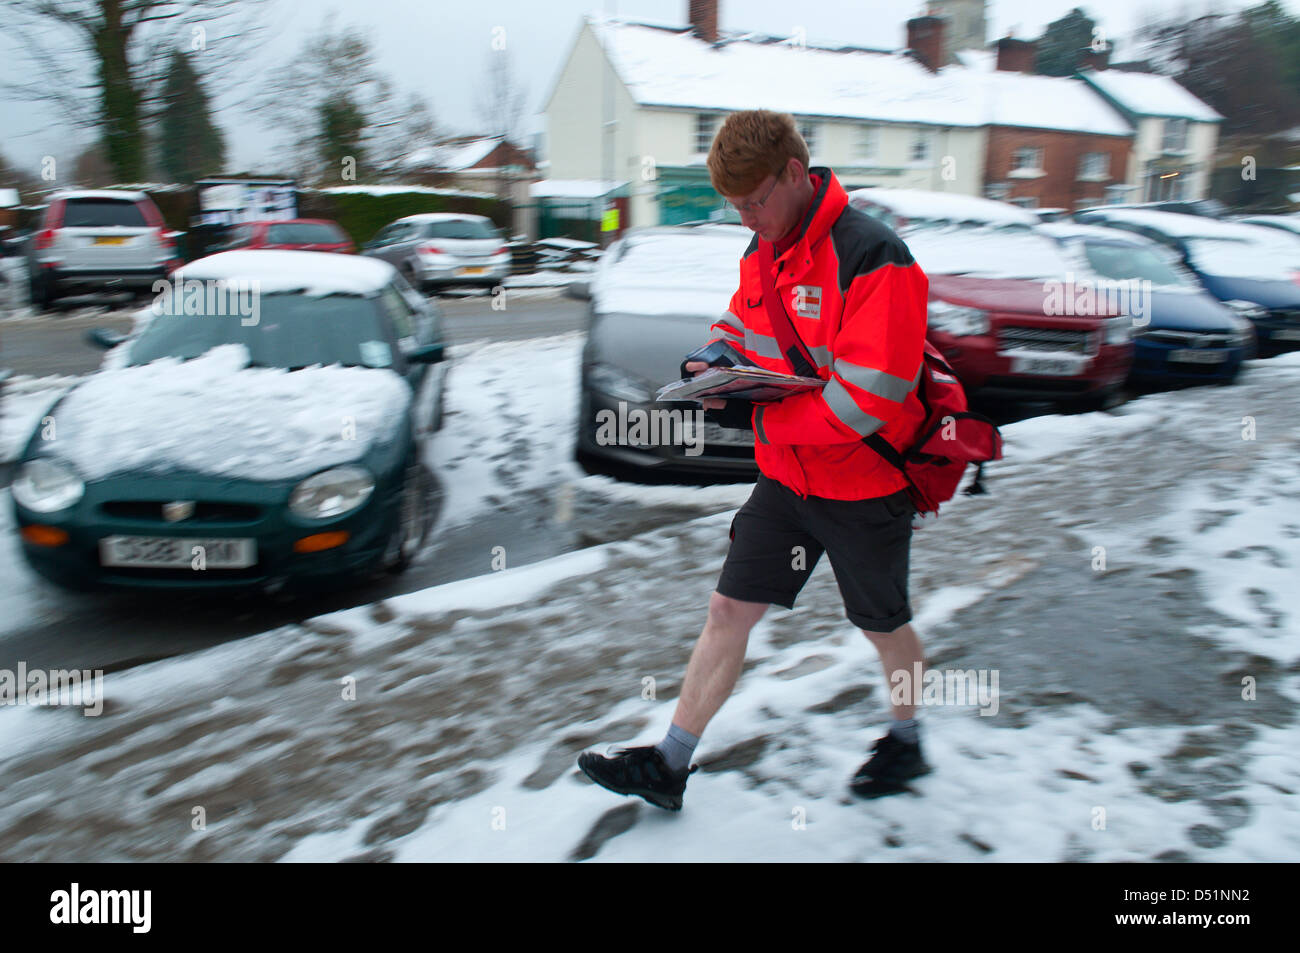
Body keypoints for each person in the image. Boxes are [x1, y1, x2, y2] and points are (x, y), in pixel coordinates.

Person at [577, 109, 931, 811]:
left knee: (882, 623)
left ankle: (908, 738)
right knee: (729, 608)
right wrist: (713, 363)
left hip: (866, 485)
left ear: (795, 175)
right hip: (790, 479)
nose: (746, 218)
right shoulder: (761, 252)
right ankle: (669, 764)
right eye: (734, 206)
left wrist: (754, 410)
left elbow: (870, 401)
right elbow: (742, 324)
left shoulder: (875, 258)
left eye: (754, 201)